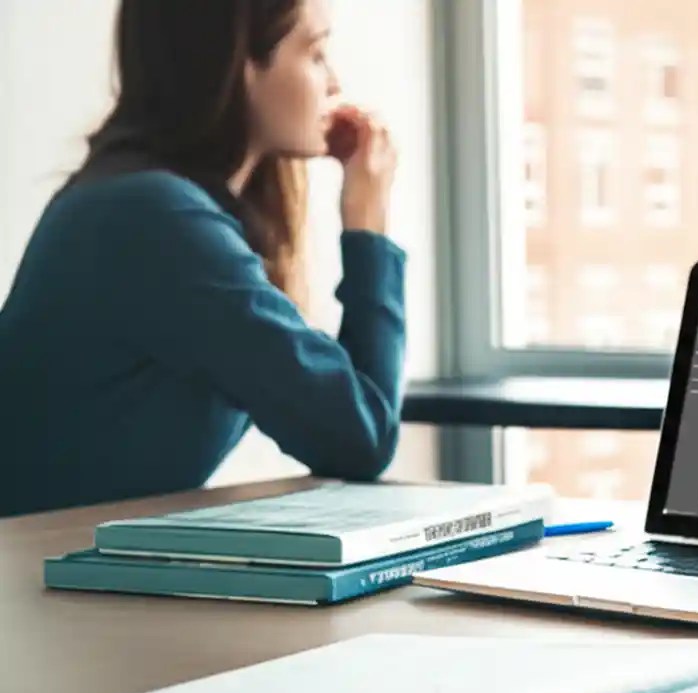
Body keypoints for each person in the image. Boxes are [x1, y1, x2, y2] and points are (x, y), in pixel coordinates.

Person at [0, 0, 404, 517]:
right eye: (316, 53)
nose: (334, 83)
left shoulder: (151, 204)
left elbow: (349, 423)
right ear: (240, 64)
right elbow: (360, 437)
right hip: (31, 563)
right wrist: (368, 223)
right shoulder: (155, 219)